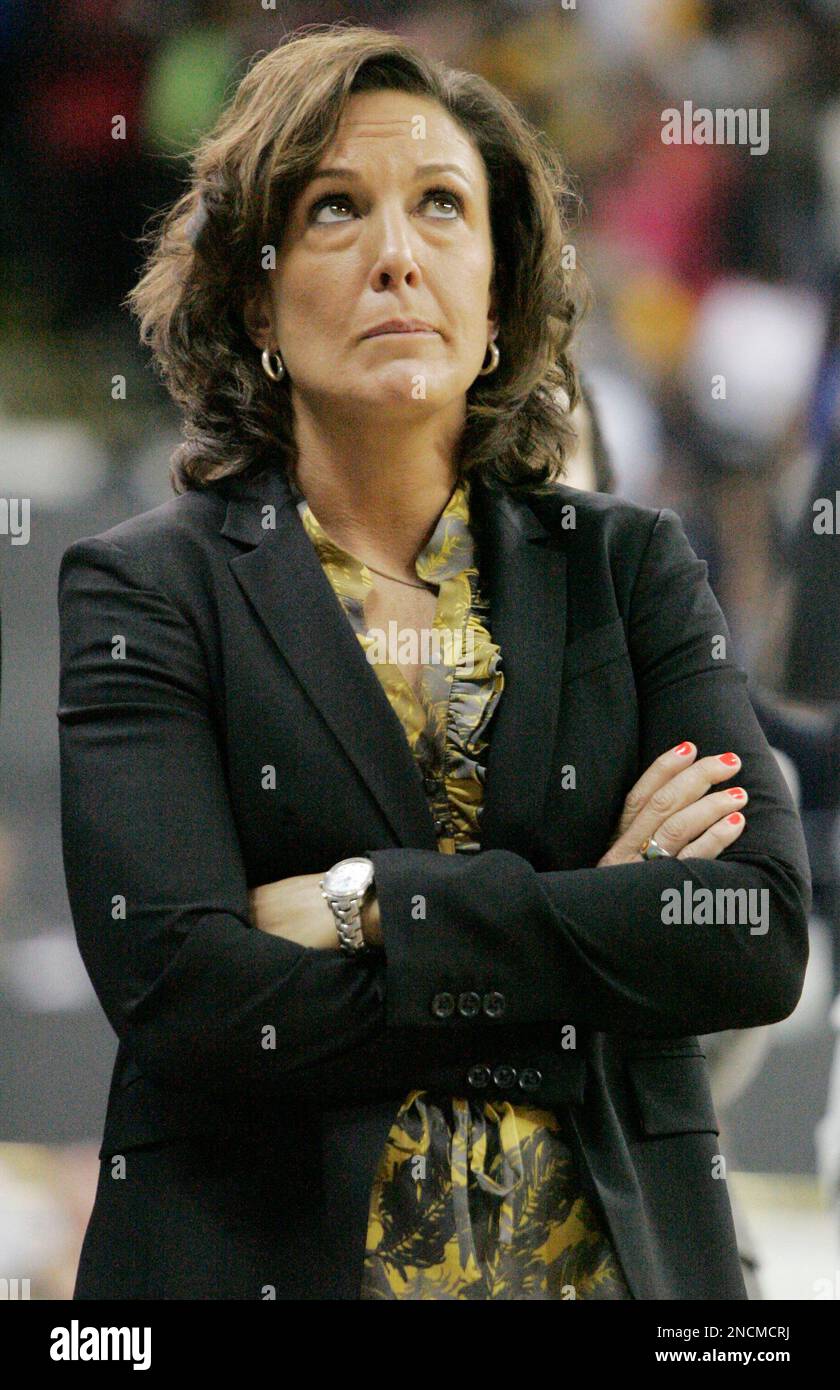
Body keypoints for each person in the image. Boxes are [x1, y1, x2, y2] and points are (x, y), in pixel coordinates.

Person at [59, 25, 810, 1301]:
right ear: (256, 292)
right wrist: (593, 920)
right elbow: (192, 998)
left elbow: (750, 932)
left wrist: (365, 904)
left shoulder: (628, 568)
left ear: (501, 287)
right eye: (336, 209)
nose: (397, 255)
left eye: (443, 208)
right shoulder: (150, 587)